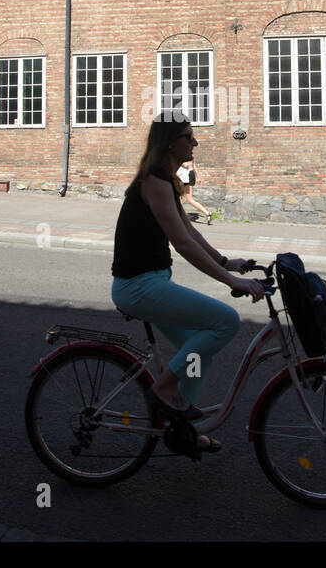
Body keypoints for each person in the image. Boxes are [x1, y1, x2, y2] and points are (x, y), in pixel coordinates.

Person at [111, 113, 263, 453]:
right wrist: (229, 282)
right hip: (138, 287)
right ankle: (165, 391)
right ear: (169, 142)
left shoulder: (164, 179)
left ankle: (183, 431)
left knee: (198, 349)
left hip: (151, 283)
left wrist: (227, 263)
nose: (194, 143)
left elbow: (190, 230)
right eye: (188, 137)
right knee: (225, 321)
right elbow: (182, 244)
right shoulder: (154, 181)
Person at [177, 159, 212, 224]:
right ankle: (181, 215)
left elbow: (186, 165)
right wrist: (198, 177)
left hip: (186, 176)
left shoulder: (183, 154)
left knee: (188, 199)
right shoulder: (190, 154)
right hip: (190, 175)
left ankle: (207, 213)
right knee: (180, 197)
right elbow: (194, 167)